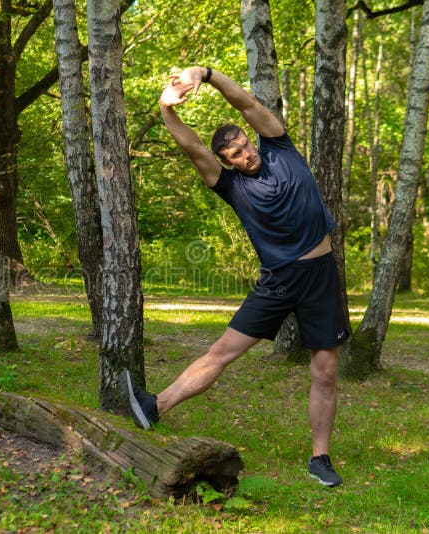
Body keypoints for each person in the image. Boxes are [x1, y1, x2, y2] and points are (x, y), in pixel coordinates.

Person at [118, 66, 350, 488]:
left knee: (324, 370)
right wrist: (167, 110)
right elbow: (191, 146)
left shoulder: (280, 147)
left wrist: (204, 74)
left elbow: (246, 104)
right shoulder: (231, 186)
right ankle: (154, 407)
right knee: (222, 351)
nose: (247, 153)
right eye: (237, 154)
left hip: (321, 276)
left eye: (246, 144)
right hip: (279, 280)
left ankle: (320, 459)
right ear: (227, 163)